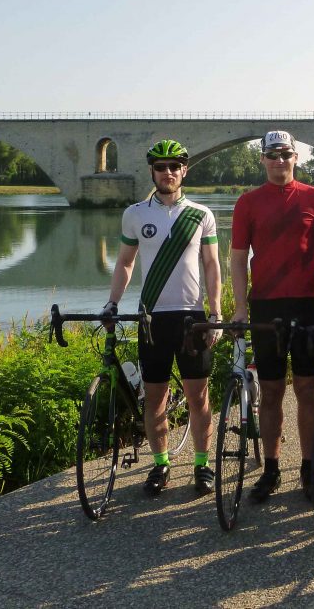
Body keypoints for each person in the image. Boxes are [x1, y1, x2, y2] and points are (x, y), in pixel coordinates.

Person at [103, 139, 221, 497]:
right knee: (155, 398)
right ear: (152, 172)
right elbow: (125, 262)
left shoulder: (201, 214)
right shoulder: (135, 213)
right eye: (160, 167)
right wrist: (112, 303)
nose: (167, 172)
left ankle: (202, 465)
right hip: (151, 320)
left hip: (192, 319)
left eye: (174, 166)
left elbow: (213, 264)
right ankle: (161, 463)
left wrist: (215, 311)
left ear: (184, 170)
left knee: (198, 396)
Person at [231, 130, 314, 503]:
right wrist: (241, 306)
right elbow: (236, 258)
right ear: (262, 160)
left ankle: (309, 470)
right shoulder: (247, 203)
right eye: (272, 155)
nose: (280, 161)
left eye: (286, 155)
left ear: (297, 158)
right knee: (273, 390)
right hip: (265, 305)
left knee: (308, 389)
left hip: (307, 303)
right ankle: (272, 469)